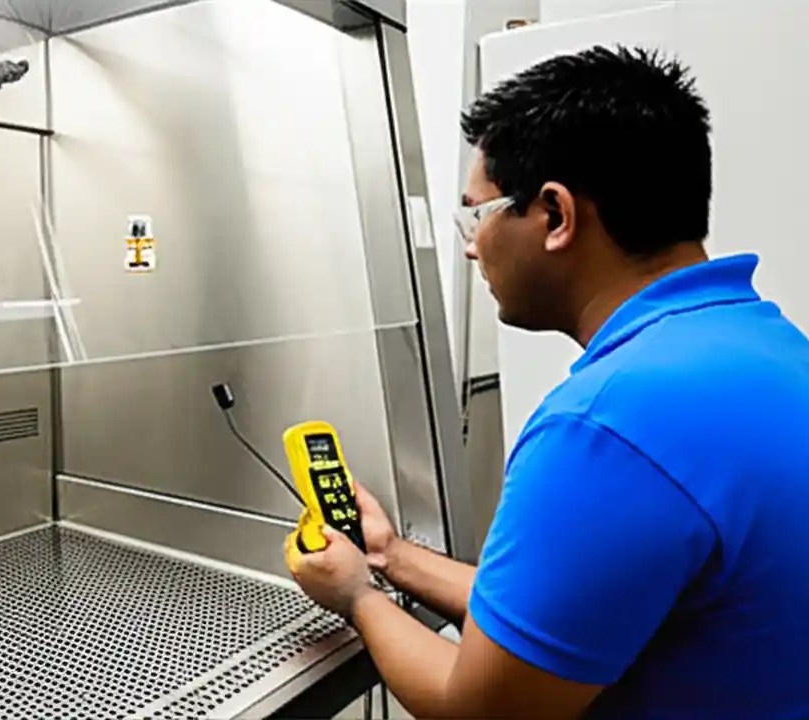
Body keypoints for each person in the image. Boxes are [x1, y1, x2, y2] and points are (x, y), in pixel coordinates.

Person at [288, 45, 809, 718]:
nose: (472, 245)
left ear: (556, 216)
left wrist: (356, 598)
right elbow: (553, 624)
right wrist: (389, 557)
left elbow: (479, 709)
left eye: (477, 214)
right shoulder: (768, 345)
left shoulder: (607, 425)